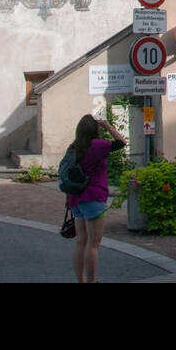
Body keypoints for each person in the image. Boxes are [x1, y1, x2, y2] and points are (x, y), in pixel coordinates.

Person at [65, 114, 126, 283]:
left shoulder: (73, 148)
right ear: (94, 130)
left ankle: (80, 280)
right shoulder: (98, 146)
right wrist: (107, 125)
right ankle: (91, 281)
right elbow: (121, 143)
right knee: (93, 243)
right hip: (94, 197)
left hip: (75, 198)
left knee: (80, 241)